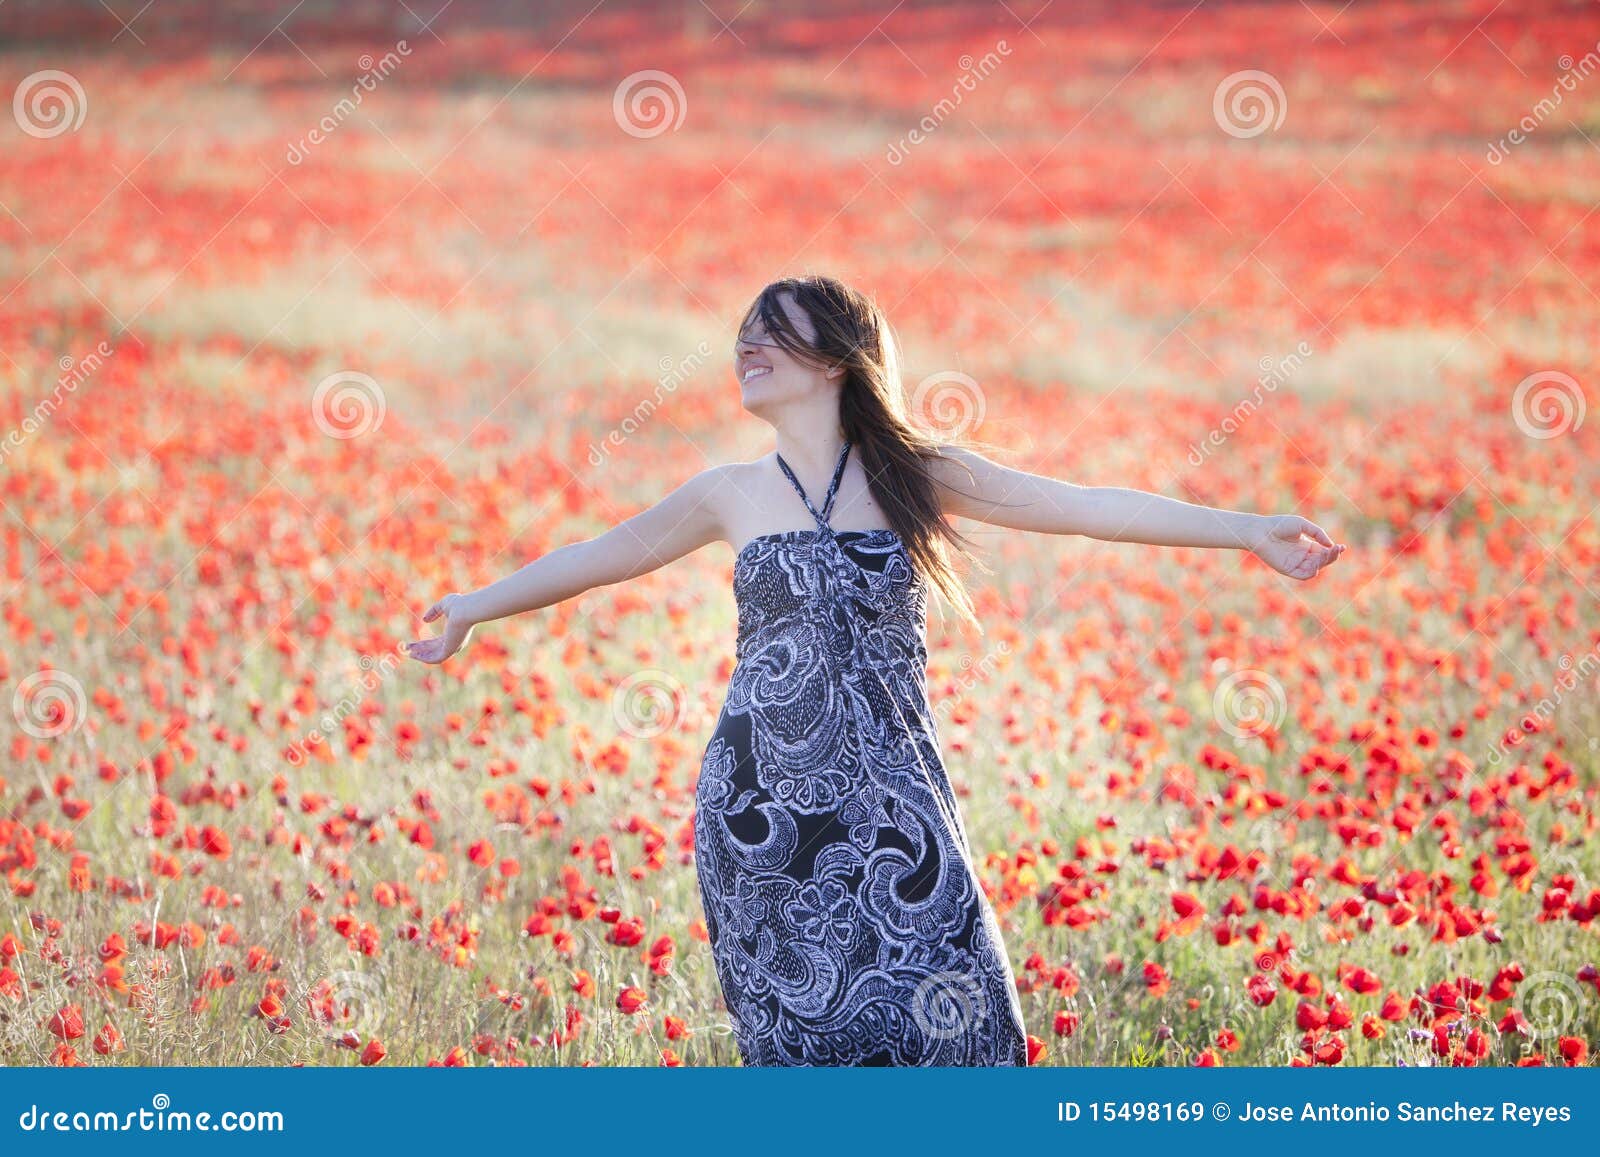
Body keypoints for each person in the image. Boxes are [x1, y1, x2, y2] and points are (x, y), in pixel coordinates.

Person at [405, 274, 1346, 1065]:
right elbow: (595, 555)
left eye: (770, 332)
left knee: (966, 1021)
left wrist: (1245, 532)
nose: (746, 348)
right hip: (757, 813)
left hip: (895, 800)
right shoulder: (728, 494)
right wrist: (475, 607)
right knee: (805, 1051)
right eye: (741, 335)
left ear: (835, 357)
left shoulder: (916, 472)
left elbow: (1088, 507)